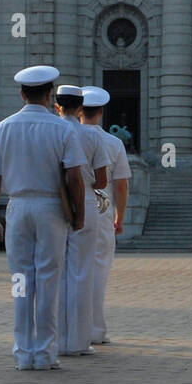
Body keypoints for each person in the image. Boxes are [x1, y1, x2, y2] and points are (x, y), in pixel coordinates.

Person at [0, 65, 86, 370]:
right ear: (49, 93)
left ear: (22, 93)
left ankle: (23, 352)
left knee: (20, 280)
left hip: (18, 205)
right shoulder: (63, 128)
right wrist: (78, 213)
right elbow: (75, 177)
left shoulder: (4, 127)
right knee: (49, 279)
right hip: (51, 206)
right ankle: (44, 352)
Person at [55, 85, 109, 356]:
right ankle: (78, 342)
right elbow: (102, 180)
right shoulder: (90, 136)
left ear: (57, 106)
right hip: (86, 201)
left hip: (53, 202)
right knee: (82, 273)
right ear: (80, 108)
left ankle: (52, 340)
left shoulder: (51, 129)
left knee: (52, 273)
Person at [81, 86, 130, 345]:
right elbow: (121, 184)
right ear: (101, 112)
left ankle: (69, 329)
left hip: (68, 211)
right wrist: (119, 217)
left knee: (69, 270)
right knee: (98, 271)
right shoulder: (113, 142)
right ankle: (95, 330)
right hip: (101, 211)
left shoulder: (66, 136)